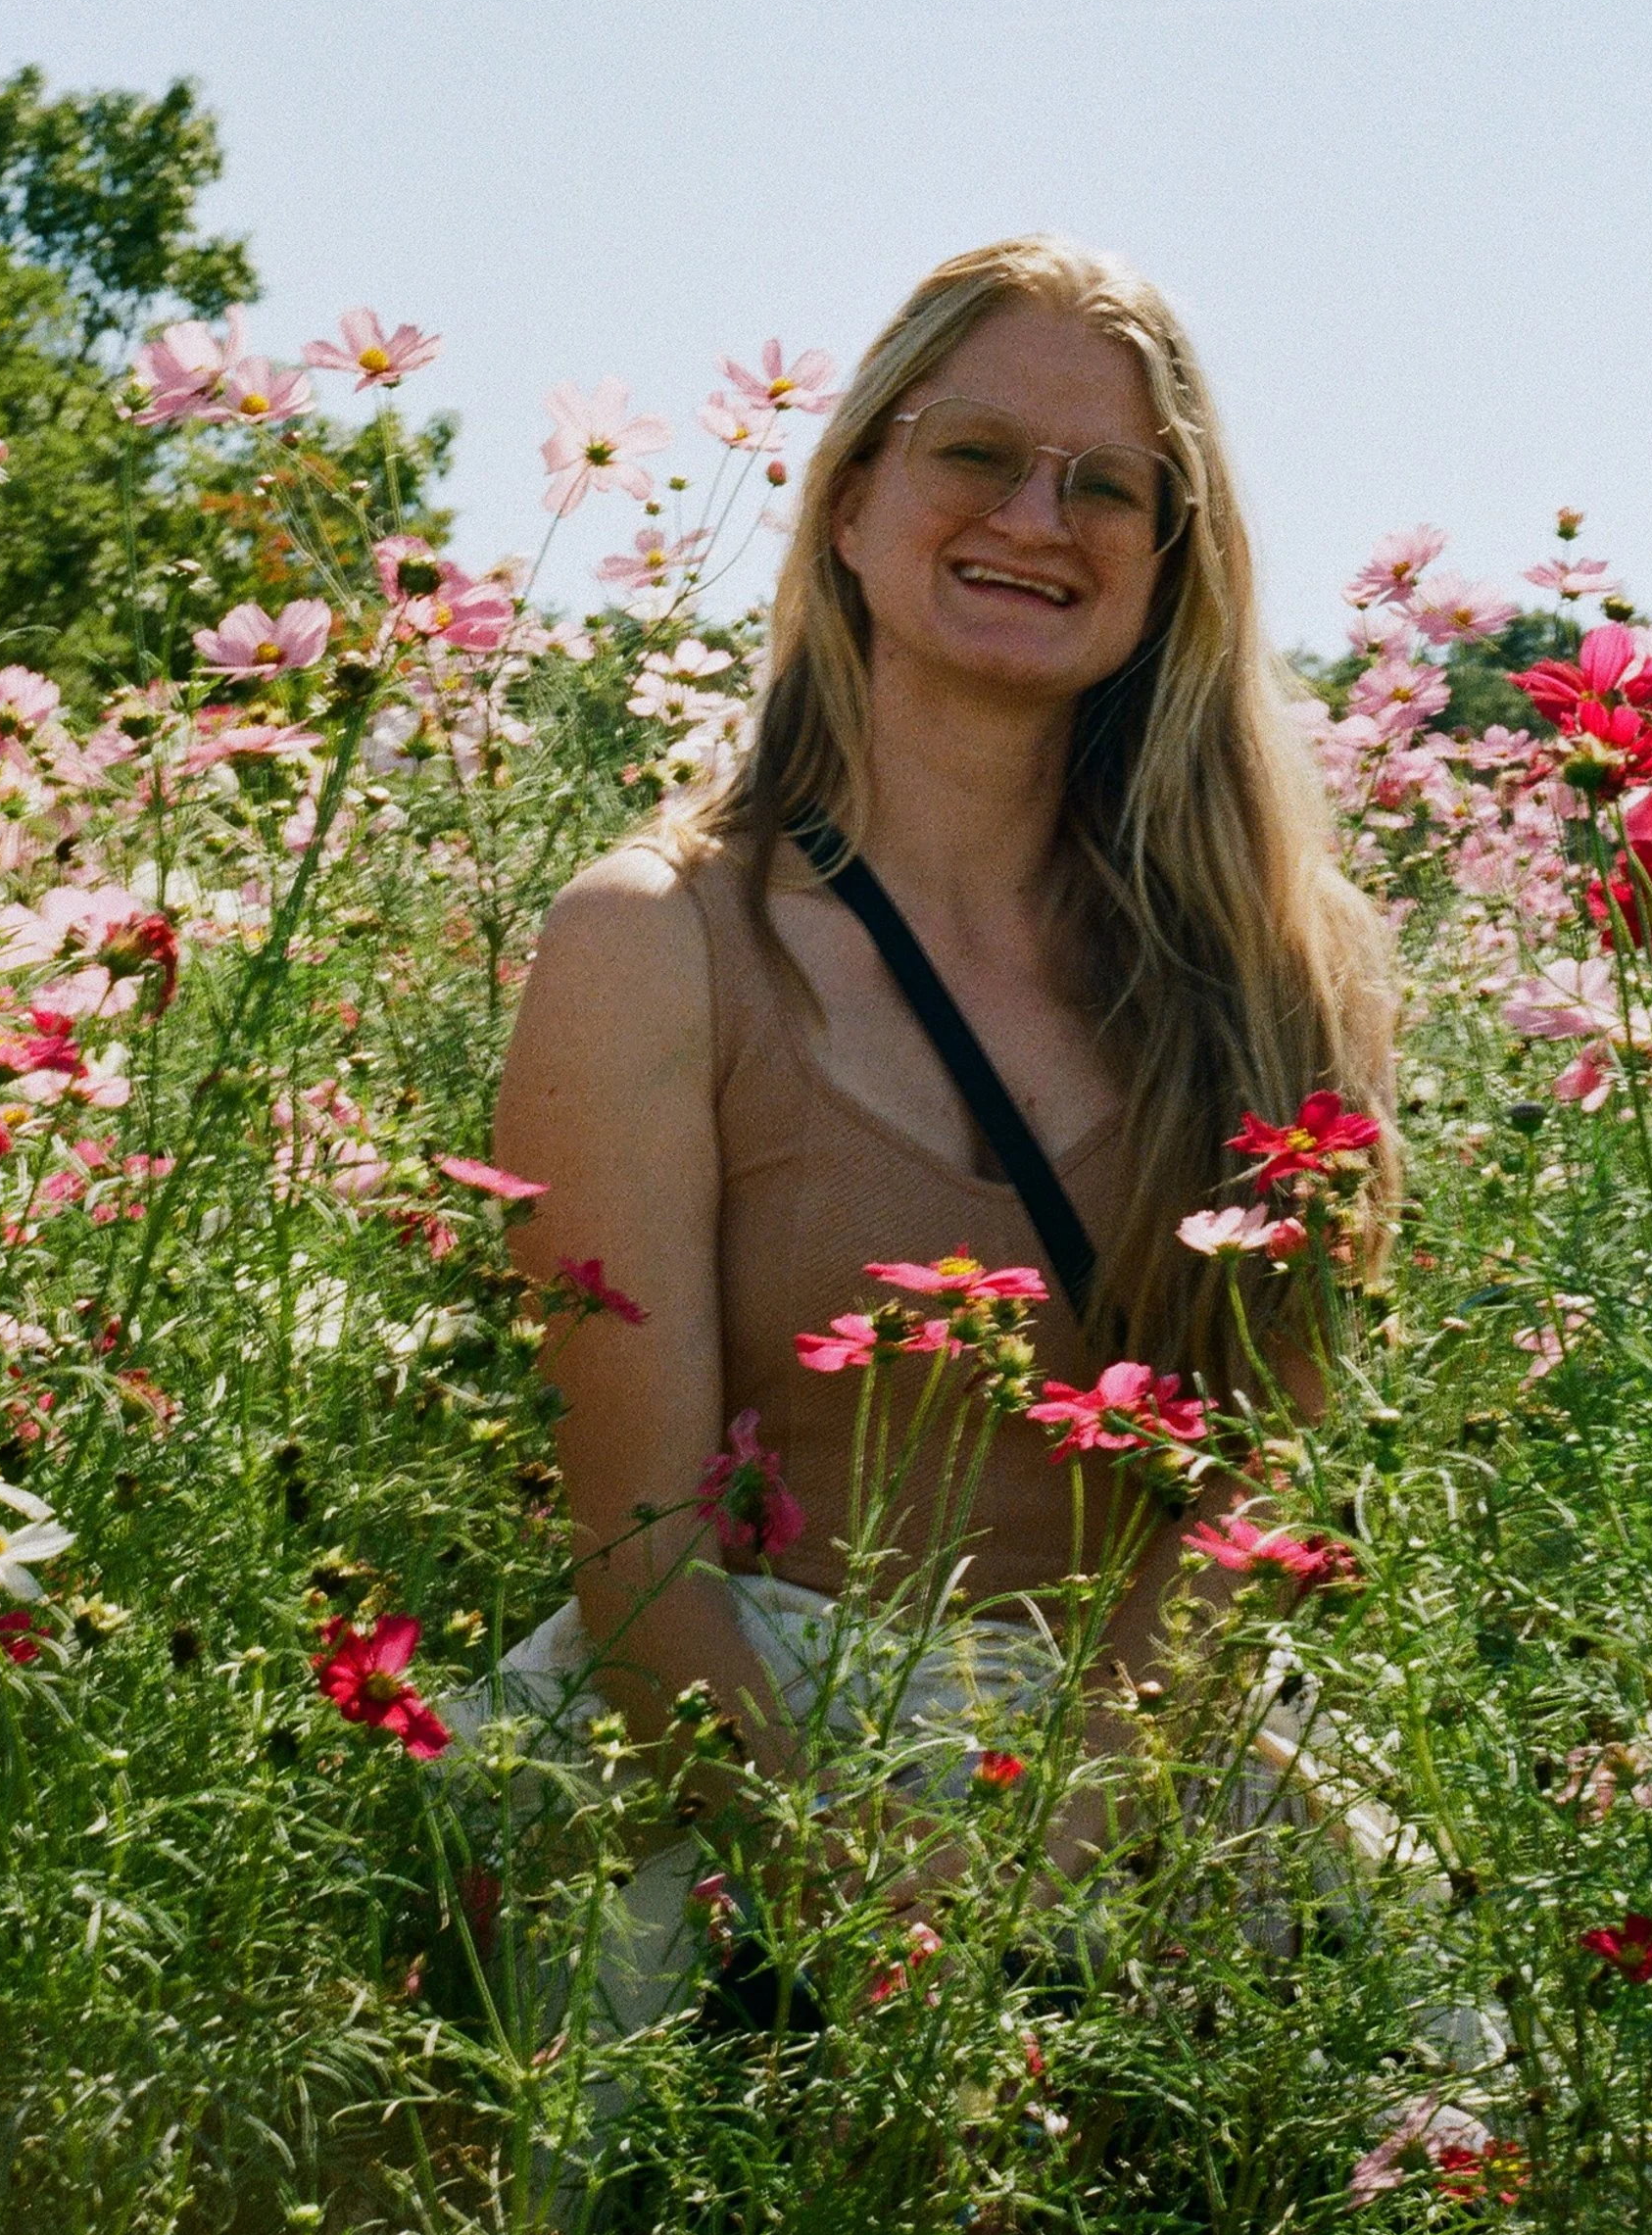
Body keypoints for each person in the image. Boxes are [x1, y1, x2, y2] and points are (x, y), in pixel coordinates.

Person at [490, 233, 1399, 1891]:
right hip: (722, 1766)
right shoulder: (650, 942)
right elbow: (640, 1559)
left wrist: (1067, 1836)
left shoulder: (1283, 961)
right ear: (849, 499)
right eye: (975, 453)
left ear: (1170, 559)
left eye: (1109, 486)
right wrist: (867, 1906)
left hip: (1155, 1758)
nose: (1037, 520)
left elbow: (1270, 1465)